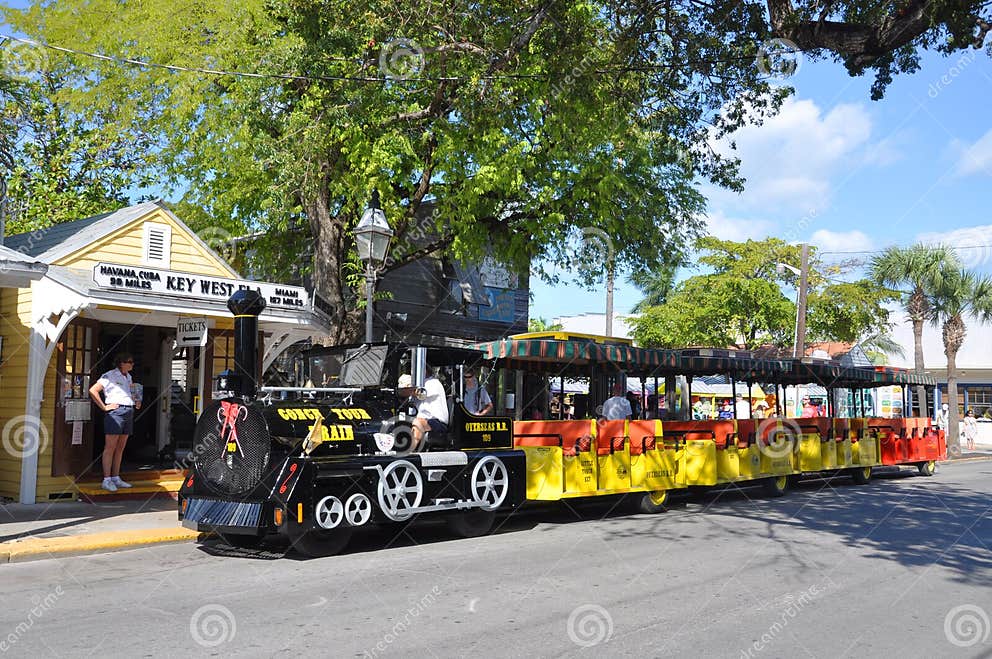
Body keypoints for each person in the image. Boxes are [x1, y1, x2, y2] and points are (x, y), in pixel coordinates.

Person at [89, 353, 141, 491]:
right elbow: (93, 390)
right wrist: (104, 407)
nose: (132, 364)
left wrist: (136, 401)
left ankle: (116, 477)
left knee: (120, 447)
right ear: (121, 363)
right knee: (110, 447)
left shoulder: (129, 377)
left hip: (128, 410)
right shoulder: (109, 375)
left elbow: (129, 393)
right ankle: (106, 479)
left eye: (132, 361)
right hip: (116, 412)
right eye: (129, 361)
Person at [398, 371, 449, 451]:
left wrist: (405, 388)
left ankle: (409, 451)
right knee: (401, 420)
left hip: (438, 423)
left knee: (418, 423)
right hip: (425, 422)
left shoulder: (433, 383)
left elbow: (414, 392)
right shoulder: (419, 384)